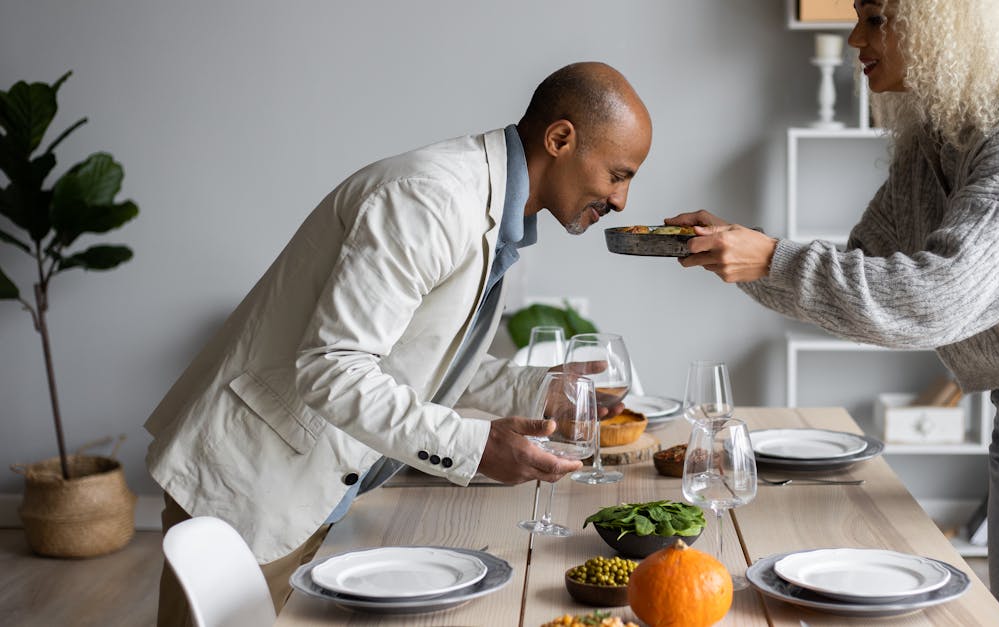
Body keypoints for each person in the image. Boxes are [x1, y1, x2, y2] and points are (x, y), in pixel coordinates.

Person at [668, 2, 999, 626]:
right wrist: (744, 249)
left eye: (876, 17)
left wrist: (771, 260)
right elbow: (865, 278)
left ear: (942, 22)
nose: (853, 36)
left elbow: (935, 298)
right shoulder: (927, 150)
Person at [145, 61, 652, 625]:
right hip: (253, 479)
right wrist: (475, 445)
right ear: (560, 139)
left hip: (309, 480)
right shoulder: (429, 201)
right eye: (619, 174)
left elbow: (418, 352)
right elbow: (333, 367)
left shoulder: (480, 206)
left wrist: (541, 389)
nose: (623, 200)